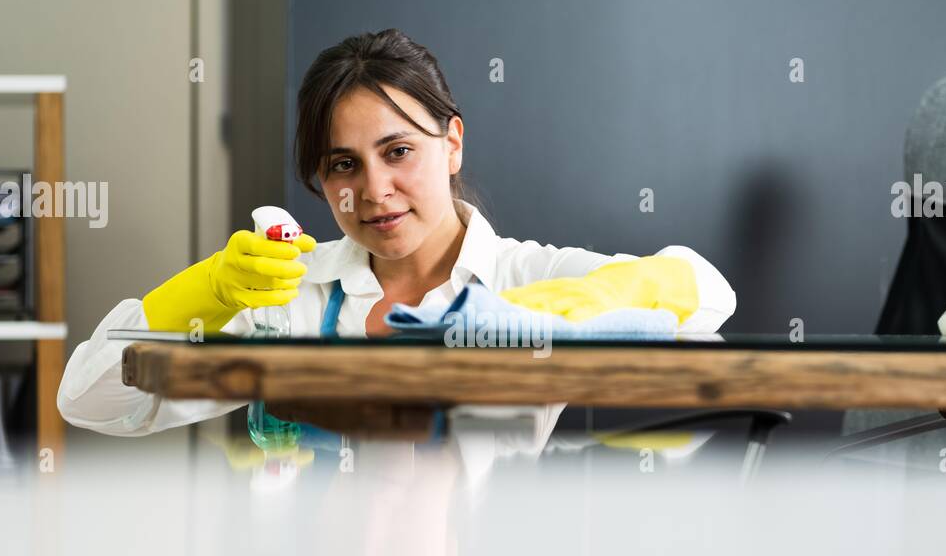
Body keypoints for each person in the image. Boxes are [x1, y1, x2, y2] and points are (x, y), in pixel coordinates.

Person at [58, 29, 736, 436]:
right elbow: (89, 402)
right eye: (341, 165)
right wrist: (207, 292)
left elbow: (710, 296)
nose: (373, 191)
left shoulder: (523, 281)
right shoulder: (288, 302)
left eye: (399, 151)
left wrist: (602, 295)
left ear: (453, 144)